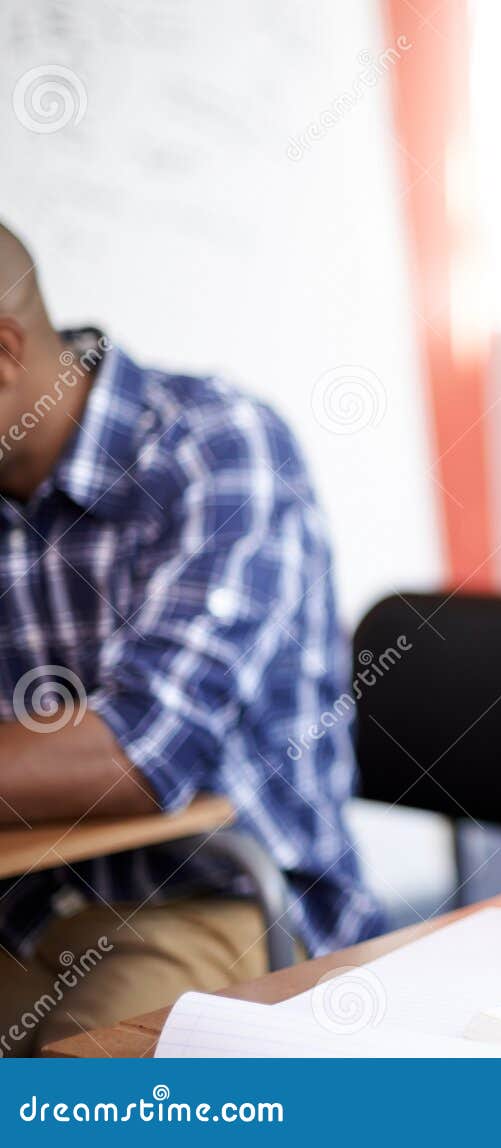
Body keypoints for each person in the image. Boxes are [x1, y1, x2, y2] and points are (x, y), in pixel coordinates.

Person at [0, 223, 383, 1055]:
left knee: (66, 1106)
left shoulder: (216, 444)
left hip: (218, 898)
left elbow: (142, 753)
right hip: (24, 902)